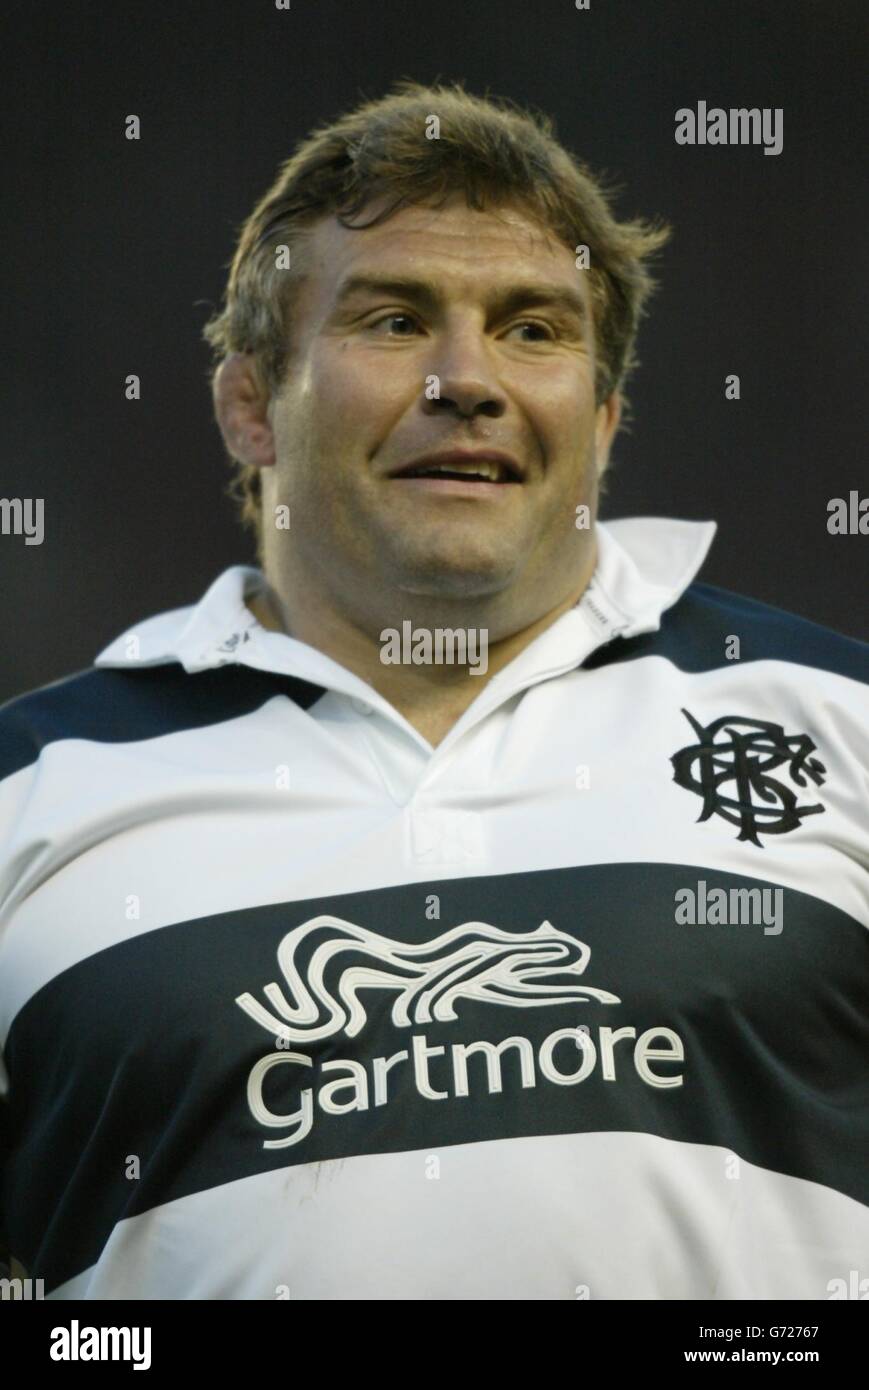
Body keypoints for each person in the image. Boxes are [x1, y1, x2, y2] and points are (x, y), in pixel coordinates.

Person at [0, 80, 866, 1302]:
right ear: (250, 404)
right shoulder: (27, 795)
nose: (466, 378)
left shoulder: (841, 723)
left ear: (605, 417)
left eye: (531, 328)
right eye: (395, 320)